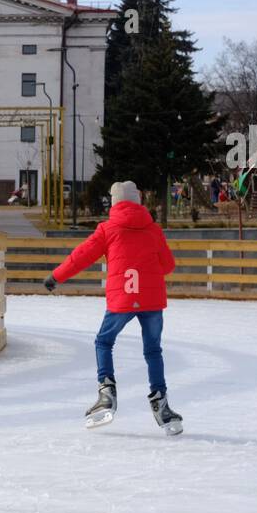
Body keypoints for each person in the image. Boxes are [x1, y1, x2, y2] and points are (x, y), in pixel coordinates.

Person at [42, 180, 183, 435]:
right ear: (138, 201)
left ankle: (107, 393)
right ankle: (160, 401)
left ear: (115, 203)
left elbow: (81, 256)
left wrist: (56, 276)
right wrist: (148, 272)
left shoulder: (107, 229)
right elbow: (168, 265)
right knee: (153, 350)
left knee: (104, 342)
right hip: (151, 301)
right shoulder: (153, 230)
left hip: (122, 299)